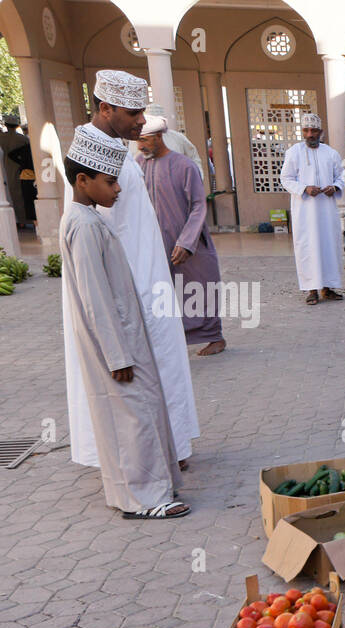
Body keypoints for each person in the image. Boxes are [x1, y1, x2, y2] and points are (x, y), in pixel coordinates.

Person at [63, 71, 200, 473]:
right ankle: (138, 460)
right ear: (105, 108)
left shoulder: (118, 147)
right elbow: (94, 235)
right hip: (123, 290)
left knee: (164, 362)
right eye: (134, 112)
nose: (143, 122)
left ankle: (168, 445)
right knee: (130, 373)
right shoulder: (90, 151)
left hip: (149, 278)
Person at [138, 112, 225, 355]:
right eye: (139, 141)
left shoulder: (184, 165)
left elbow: (199, 205)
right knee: (160, 291)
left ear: (158, 137)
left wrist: (187, 242)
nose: (141, 145)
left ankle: (214, 336)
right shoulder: (139, 164)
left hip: (190, 240)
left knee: (202, 287)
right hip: (156, 240)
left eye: (145, 140)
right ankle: (168, 340)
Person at [281, 113, 345, 305]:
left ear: (320, 132)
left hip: (327, 210)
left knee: (328, 246)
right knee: (308, 247)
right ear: (302, 132)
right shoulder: (294, 152)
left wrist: (334, 187)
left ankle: (327, 288)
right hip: (304, 211)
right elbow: (286, 179)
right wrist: (304, 189)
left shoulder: (331, 153)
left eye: (314, 130)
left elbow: (341, 177)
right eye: (307, 131)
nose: (310, 134)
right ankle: (311, 290)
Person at [130, 104, 204, 176]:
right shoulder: (136, 139)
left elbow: (193, 158)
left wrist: (197, 177)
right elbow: (133, 164)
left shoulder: (178, 138)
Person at [1, 113, 32, 226]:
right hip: (21, 168)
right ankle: (25, 220)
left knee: (13, 194)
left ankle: (20, 221)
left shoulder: (2, 138)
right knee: (21, 194)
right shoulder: (22, 139)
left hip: (6, 168)